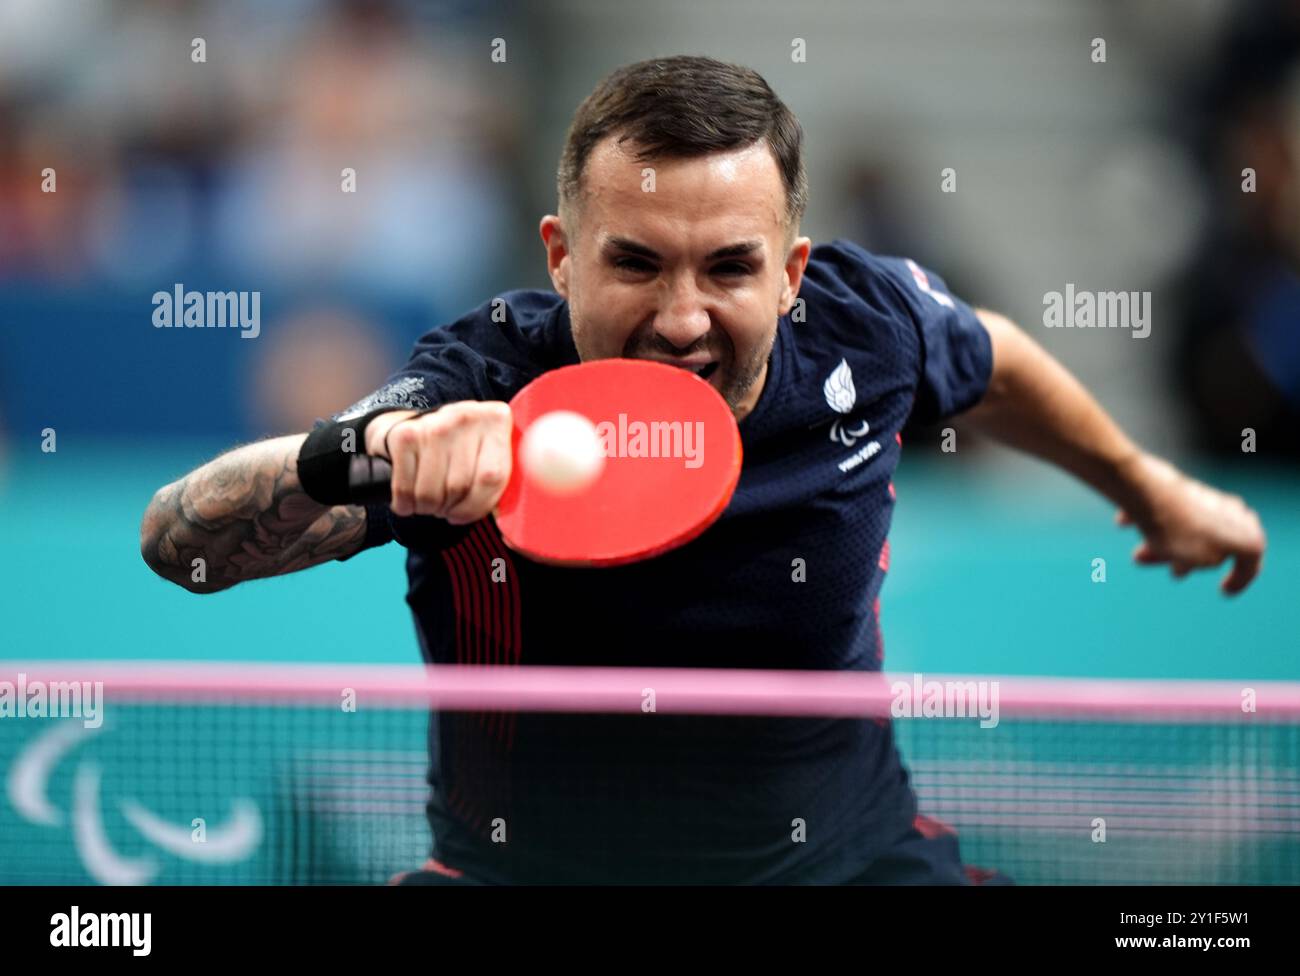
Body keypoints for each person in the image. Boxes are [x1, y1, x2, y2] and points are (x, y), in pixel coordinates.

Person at [140, 56, 1266, 884]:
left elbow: (995, 356)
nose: (681, 320)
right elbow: (181, 551)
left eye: (729, 267)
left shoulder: (864, 327)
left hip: (848, 870)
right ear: (560, 254)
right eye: (634, 262)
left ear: (791, 273)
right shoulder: (477, 386)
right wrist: (358, 453)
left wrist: (1148, 489)